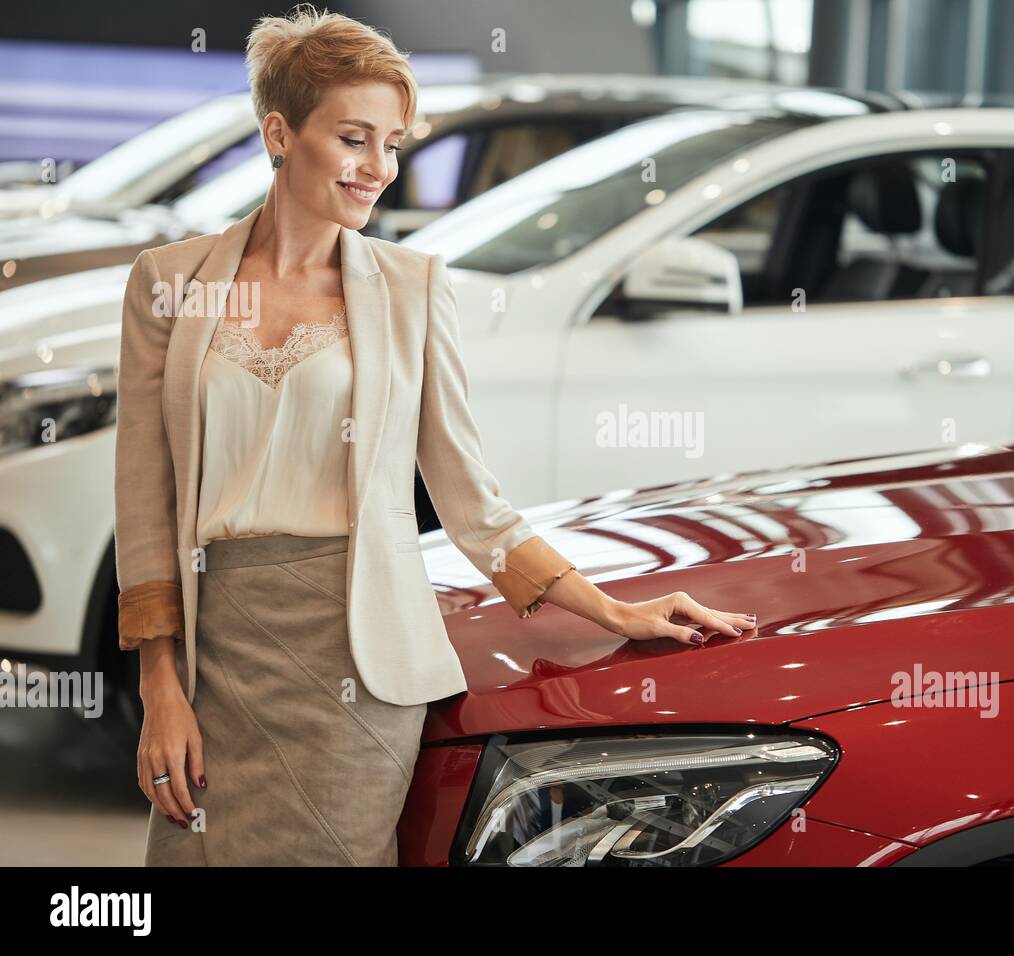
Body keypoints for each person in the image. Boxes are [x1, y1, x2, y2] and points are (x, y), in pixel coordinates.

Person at [114, 4, 755, 866]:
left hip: (357, 667)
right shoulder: (168, 282)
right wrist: (160, 684)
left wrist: (614, 608)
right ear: (279, 132)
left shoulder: (411, 288)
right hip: (213, 655)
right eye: (354, 139)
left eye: (393, 144)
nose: (379, 168)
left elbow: (470, 501)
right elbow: (145, 499)